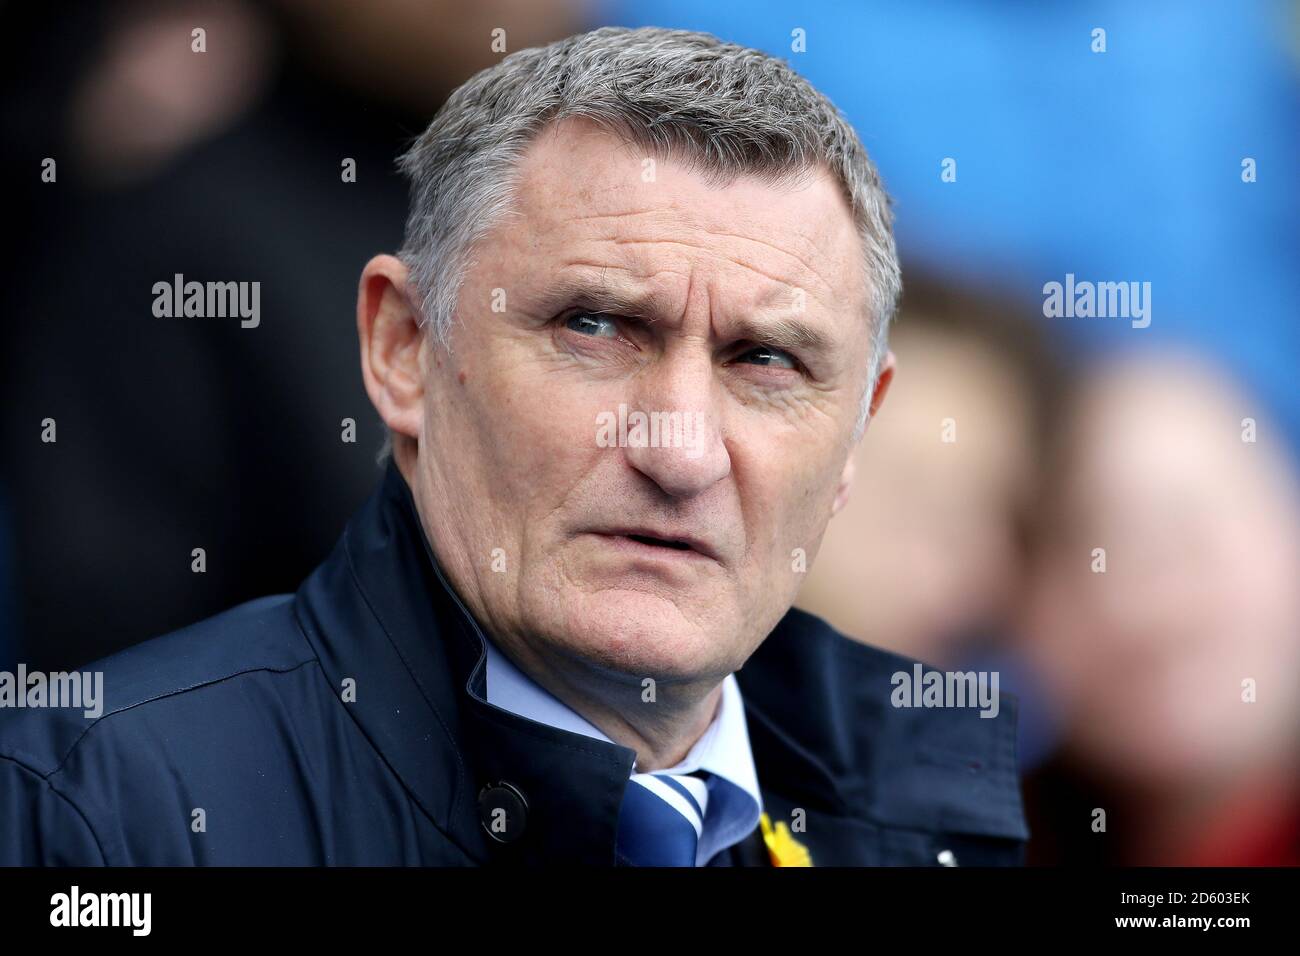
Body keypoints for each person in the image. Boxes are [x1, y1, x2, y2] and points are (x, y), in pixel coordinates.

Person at [0, 26, 1027, 866]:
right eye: (593, 326)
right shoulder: (99, 815)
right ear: (402, 347)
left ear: (859, 428)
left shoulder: (930, 817)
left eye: (763, 358)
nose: (678, 450)